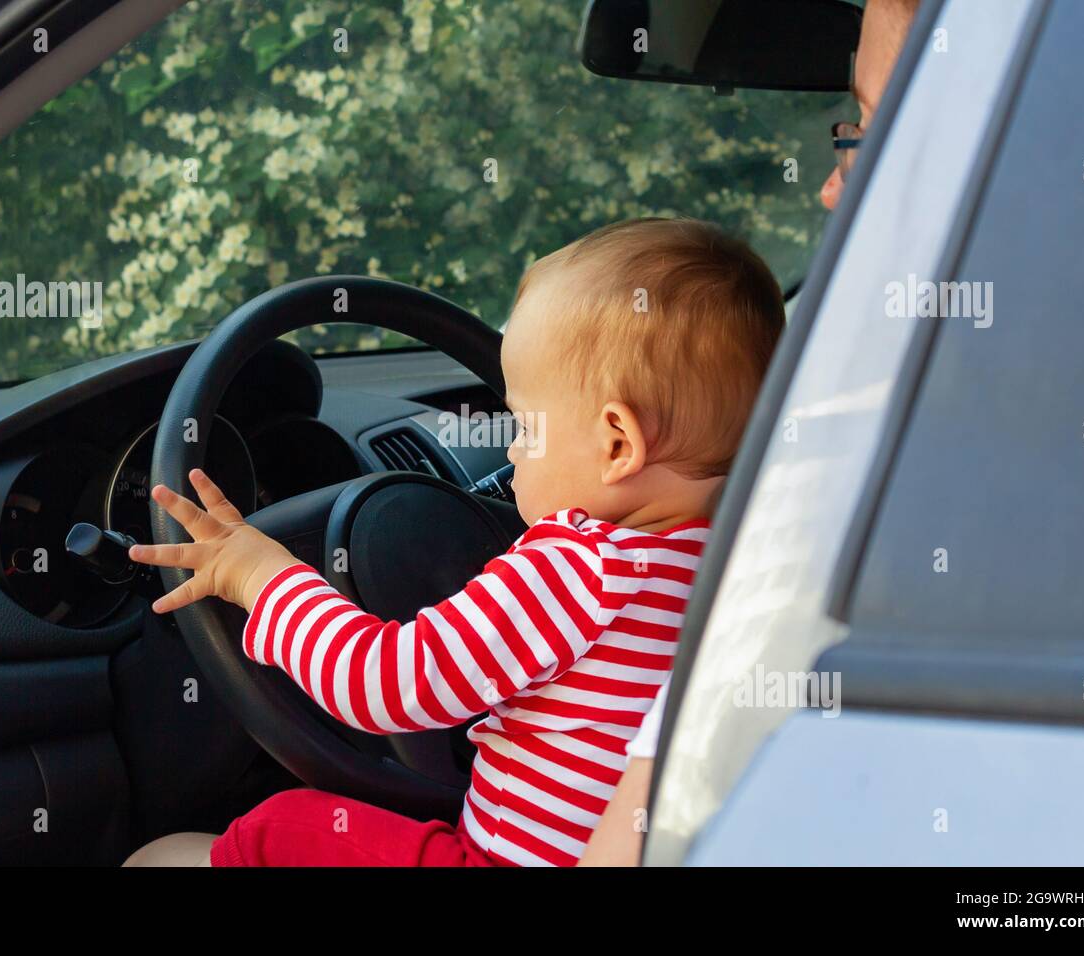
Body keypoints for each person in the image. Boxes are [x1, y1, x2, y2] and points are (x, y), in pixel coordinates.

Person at [123, 217, 784, 866]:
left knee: (264, 827)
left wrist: (261, 576)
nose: (513, 453)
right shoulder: (745, 568)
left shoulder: (581, 568)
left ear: (616, 444)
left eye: (525, 427)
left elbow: (382, 686)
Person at [577, 0, 922, 867]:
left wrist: (264, 580)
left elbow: (402, 681)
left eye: (873, 135)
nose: (830, 185)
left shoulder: (827, 510)